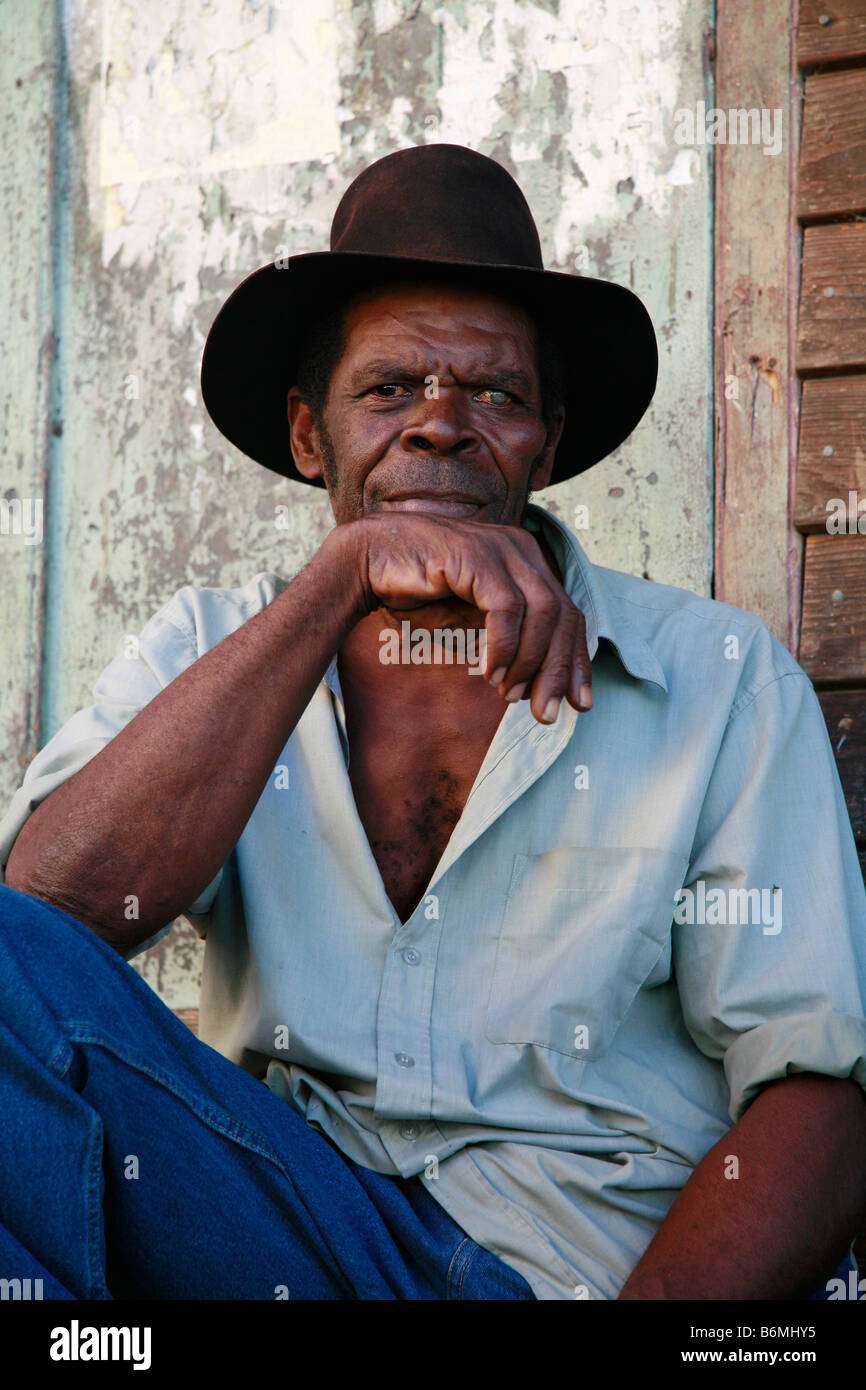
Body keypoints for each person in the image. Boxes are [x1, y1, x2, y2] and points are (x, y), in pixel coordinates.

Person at [2, 144, 865, 1302]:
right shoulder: (211, 648)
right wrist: (339, 581)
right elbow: (48, 917)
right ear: (310, 438)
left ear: (544, 447)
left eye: (494, 394)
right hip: (283, 1237)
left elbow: (813, 1090)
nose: (440, 425)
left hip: (563, 1274)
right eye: (388, 389)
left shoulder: (716, 682)